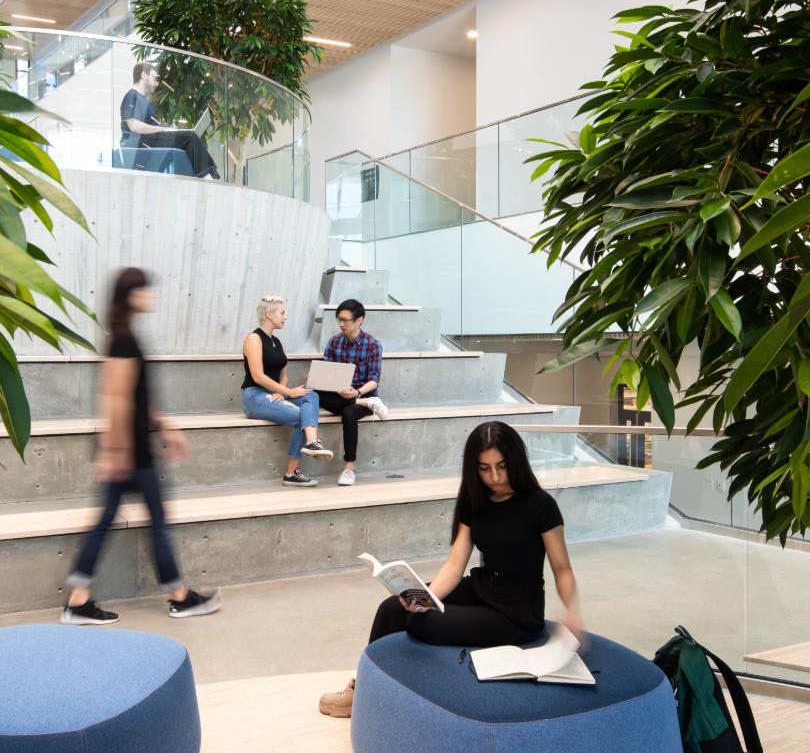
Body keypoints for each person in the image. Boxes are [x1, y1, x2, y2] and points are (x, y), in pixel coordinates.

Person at [318, 419, 581, 716]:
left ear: (516, 461)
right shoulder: (475, 501)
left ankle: (382, 694)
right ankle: (364, 689)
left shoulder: (541, 505)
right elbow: (455, 565)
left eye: (502, 466)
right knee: (393, 608)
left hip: (516, 613)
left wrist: (572, 611)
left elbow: (562, 568)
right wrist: (425, 597)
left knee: (424, 622)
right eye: (484, 468)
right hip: (482, 589)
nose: (494, 476)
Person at [63, 267, 221, 624]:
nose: (152, 295)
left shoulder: (125, 336)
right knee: (155, 524)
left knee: (109, 522)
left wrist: (165, 426)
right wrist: (115, 452)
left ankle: (79, 599)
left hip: (130, 448)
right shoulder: (123, 339)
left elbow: (134, 397)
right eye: (146, 290)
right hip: (131, 452)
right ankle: (179, 597)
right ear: (131, 296)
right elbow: (115, 397)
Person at [241, 294, 333, 486]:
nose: (285, 317)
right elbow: (258, 376)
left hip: (275, 394)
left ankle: (311, 443)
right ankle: (293, 472)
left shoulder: (277, 341)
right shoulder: (253, 339)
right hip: (254, 396)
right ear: (269, 314)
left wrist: (283, 391)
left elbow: (284, 374)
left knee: (311, 395)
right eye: (282, 313)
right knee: (302, 417)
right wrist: (288, 392)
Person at [319, 298, 390, 486]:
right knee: (312, 391)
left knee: (349, 413)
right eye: (339, 320)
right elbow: (327, 373)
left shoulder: (372, 344)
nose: (341, 324)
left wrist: (357, 393)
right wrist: (338, 388)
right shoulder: (334, 342)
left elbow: (374, 380)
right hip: (339, 393)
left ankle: (349, 469)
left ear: (359, 320)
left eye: (345, 320)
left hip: (363, 393)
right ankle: (370, 405)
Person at [119, 60, 220, 178]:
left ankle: (201, 177)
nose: (157, 83)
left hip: (149, 145)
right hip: (141, 149)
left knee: (186, 141)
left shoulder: (143, 100)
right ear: (143, 75)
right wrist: (161, 129)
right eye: (154, 78)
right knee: (189, 137)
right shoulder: (132, 96)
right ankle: (208, 177)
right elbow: (134, 126)